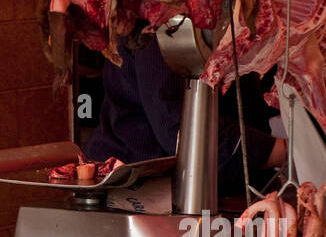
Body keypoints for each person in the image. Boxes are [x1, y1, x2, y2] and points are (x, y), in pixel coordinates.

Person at [82, 36, 287, 196]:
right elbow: (179, 133)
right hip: (138, 192)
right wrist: (286, 152)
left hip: (226, 186)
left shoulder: (227, 6)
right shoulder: (163, 22)